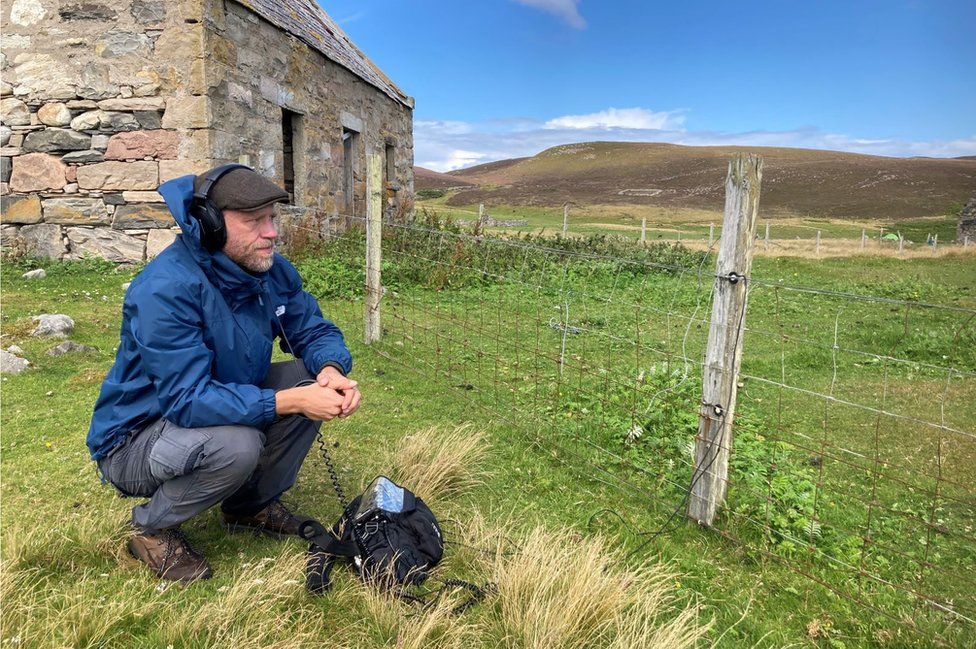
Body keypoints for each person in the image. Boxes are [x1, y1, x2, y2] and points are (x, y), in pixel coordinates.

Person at [87, 164, 362, 582]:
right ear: (211, 225)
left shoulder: (267, 269)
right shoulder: (166, 289)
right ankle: (152, 529)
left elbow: (310, 326)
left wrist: (329, 369)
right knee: (239, 443)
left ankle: (249, 506)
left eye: (273, 219)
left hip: (205, 409)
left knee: (306, 380)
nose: (271, 232)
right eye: (255, 222)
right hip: (134, 440)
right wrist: (288, 402)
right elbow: (187, 400)